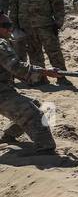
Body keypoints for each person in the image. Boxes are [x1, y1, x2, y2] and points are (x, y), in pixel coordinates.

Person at [0, 12, 61, 154]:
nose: (10, 29)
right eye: (6, 26)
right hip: (2, 94)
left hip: (4, 91)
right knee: (34, 113)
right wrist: (45, 72)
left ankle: (8, 136)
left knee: (34, 104)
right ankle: (46, 149)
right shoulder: (1, 44)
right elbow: (17, 68)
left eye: (11, 25)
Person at [11, 0, 67, 74]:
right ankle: (40, 77)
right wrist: (14, 25)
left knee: (54, 52)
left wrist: (59, 21)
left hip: (46, 25)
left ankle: (62, 76)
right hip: (27, 26)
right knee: (34, 53)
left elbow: (58, 3)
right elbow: (14, 5)